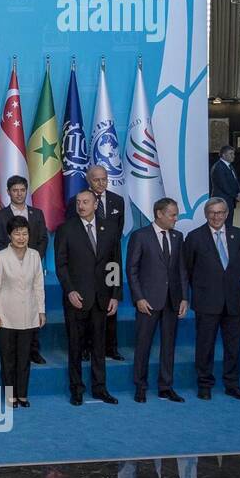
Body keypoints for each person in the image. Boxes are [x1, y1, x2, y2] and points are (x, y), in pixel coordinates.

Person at [54, 189, 121, 406]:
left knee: (99, 347)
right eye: (78, 202)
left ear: (95, 205)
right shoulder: (66, 229)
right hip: (76, 298)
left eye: (86, 202)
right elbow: (61, 265)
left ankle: (100, 388)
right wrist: (70, 291)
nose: (81, 205)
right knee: (75, 346)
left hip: (102, 298)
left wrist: (114, 295)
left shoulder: (110, 228)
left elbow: (114, 263)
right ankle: (77, 389)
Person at [184, 197, 240, 401]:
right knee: (205, 345)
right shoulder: (194, 237)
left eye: (220, 212)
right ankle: (204, 384)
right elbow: (188, 268)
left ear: (227, 214)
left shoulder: (238, 235)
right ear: (206, 214)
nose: (216, 216)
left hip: (233, 300)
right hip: (206, 301)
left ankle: (232, 384)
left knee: (233, 346)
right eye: (212, 212)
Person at [126, 197, 188, 404]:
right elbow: (132, 270)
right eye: (172, 214)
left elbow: (181, 270)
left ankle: (165, 387)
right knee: (143, 346)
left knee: (169, 346)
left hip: (172, 301)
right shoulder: (140, 236)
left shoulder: (178, 237)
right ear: (159, 214)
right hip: (148, 302)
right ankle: (140, 387)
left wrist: (184, 298)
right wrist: (139, 298)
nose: (176, 219)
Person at [65, 164, 126, 361]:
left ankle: (111, 347)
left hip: (108, 266)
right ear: (88, 180)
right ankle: (85, 348)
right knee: (87, 313)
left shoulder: (118, 201)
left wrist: (116, 287)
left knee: (109, 307)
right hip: (85, 270)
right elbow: (72, 233)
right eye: (96, 179)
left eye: (104, 179)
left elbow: (116, 237)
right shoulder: (77, 202)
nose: (101, 183)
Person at [0, 174, 49, 365]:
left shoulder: (37, 213)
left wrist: (32, 257)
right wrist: (14, 260)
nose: (19, 193)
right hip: (9, 269)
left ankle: (33, 350)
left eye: (22, 190)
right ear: (8, 193)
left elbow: (43, 239)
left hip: (32, 266)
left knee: (32, 307)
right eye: (15, 190)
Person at [0, 216, 45, 408]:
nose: (21, 237)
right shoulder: (0, 257)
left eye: (24, 233)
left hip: (29, 313)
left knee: (24, 358)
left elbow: (39, 285)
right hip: (5, 315)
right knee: (8, 357)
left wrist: (41, 311)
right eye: (17, 233)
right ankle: (11, 394)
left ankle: (22, 394)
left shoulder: (35, 255)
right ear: (9, 235)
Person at [209, 145, 240, 225]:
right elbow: (224, 186)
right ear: (223, 155)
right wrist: (235, 195)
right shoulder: (218, 167)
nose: (233, 156)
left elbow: (235, 181)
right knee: (223, 222)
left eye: (233, 154)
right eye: (230, 154)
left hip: (229, 199)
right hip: (222, 200)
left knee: (229, 221)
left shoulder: (229, 166)